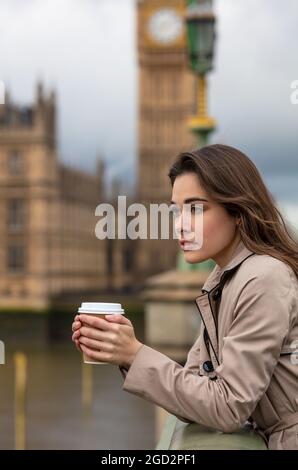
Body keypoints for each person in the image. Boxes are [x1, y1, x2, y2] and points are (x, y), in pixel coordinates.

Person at [72, 144, 298, 450]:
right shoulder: (222, 280)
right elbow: (197, 388)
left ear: (238, 212)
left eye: (196, 209)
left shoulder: (264, 278)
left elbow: (228, 407)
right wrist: (124, 348)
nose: (180, 225)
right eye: (176, 211)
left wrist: (134, 354)